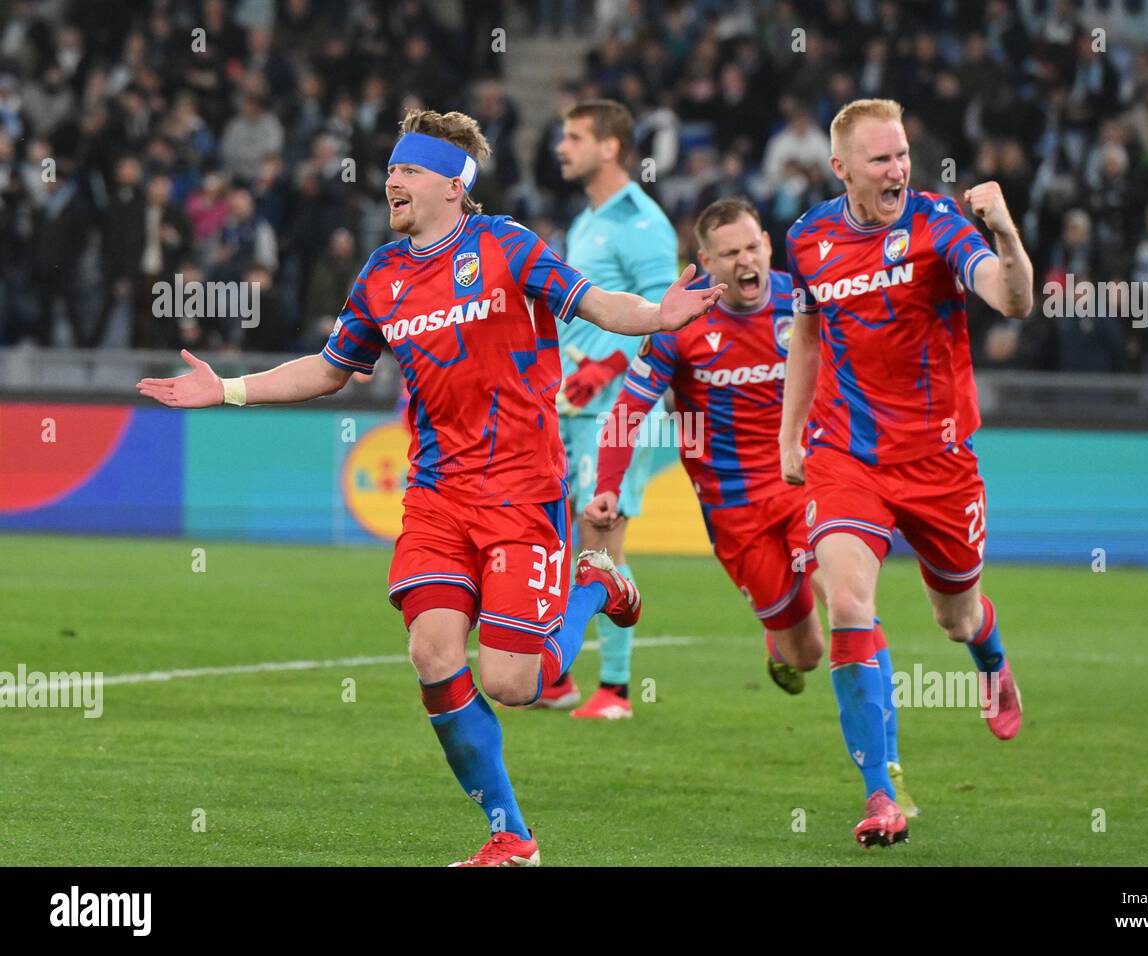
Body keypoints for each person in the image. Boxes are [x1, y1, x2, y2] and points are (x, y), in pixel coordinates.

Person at [136, 108, 724, 867]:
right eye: (390, 169)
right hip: (438, 496)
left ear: (453, 185)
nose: (392, 181)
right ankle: (510, 835)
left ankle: (596, 584)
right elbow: (329, 369)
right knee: (433, 653)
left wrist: (658, 316)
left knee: (513, 682)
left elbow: (598, 304)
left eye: (408, 170)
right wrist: (229, 389)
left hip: (521, 490)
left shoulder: (507, 246)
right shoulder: (382, 275)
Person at [587, 197, 920, 817]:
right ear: (706, 262)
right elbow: (629, 409)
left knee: (850, 603)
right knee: (806, 653)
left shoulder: (805, 300)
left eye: (752, 247)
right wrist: (608, 483)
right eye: (729, 253)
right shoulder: (682, 322)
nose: (746, 261)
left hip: (810, 486)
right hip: (734, 515)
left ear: (768, 244)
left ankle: (885, 774)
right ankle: (779, 647)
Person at [779, 98, 1031, 850]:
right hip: (846, 454)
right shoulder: (807, 238)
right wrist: (791, 436)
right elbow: (807, 336)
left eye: (902, 156)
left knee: (956, 618)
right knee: (847, 604)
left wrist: (1006, 233)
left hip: (938, 460)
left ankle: (989, 656)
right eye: (881, 159)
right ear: (842, 168)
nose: (897, 170)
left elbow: (1012, 299)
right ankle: (880, 793)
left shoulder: (937, 224)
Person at [546, 99, 680, 719]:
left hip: (620, 408)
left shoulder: (643, 223)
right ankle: (559, 676)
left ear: (610, 147)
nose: (561, 147)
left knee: (602, 544)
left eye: (575, 137)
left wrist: (606, 367)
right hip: (575, 406)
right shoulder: (586, 221)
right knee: (572, 543)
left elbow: (664, 314)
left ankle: (617, 689)